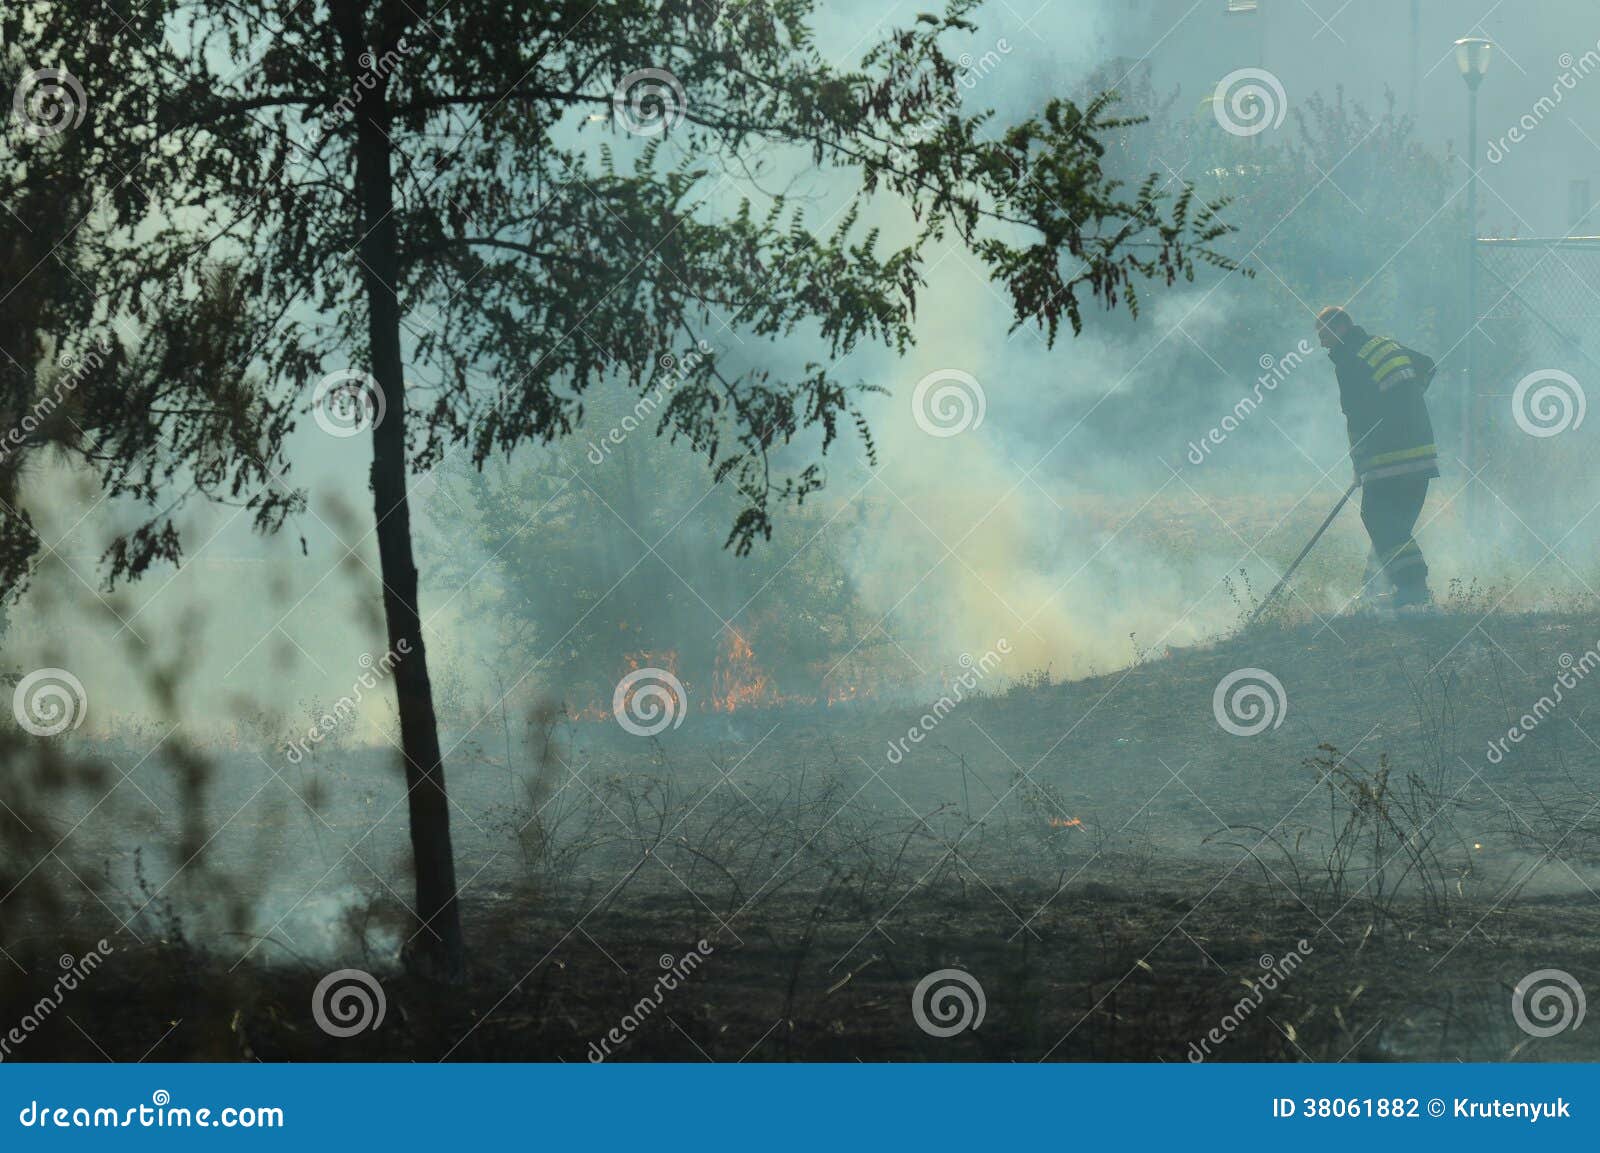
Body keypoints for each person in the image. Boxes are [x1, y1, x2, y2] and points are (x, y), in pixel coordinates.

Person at [1315, 306, 1438, 609]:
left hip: (1389, 457)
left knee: (1377, 519)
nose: (1321, 344)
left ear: (1340, 327)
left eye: (1323, 334)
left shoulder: (1349, 361)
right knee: (1393, 527)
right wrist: (1406, 402)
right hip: (1422, 453)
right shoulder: (1382, 345)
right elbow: (1427, 365)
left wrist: (1359, 464)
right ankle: (1374, 589)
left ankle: (1413, 587)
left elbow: (1355, 416)